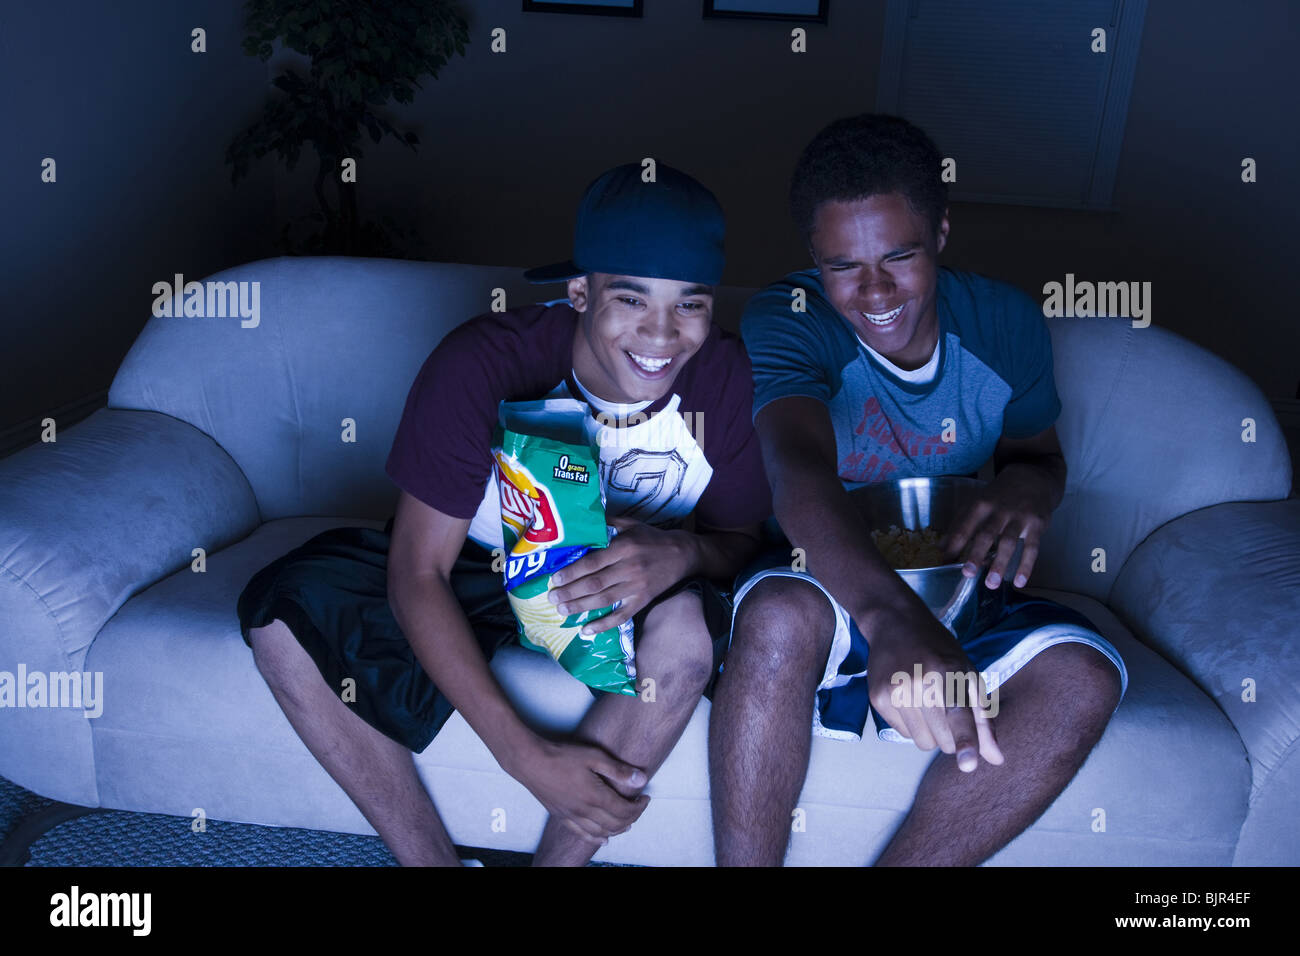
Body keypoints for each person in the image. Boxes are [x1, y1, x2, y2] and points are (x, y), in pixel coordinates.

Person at [238, 163, 769, 866]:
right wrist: (526, 757)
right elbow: (417, 570)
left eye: (690, 305)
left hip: (621, 587)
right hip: (475, 568)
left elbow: (738, 538)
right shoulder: (482, 362)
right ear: (580, 293)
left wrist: (684, 554)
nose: (662, 335)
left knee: (688, 638)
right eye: (632, 300)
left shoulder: (726, 380)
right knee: (278, 616)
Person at [709, 114, 1129, 866]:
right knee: (775, 614)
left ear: (938, 232)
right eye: (843, 265)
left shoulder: (1006, 323)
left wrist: (1032, 487)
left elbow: (1037, 456)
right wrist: (892, 621)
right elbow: (797, 470)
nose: (874, 292)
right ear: (813, 257)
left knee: (1084, 679)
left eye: (898, 256)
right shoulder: (791, 315)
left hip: (958, 573)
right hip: (829, 575)